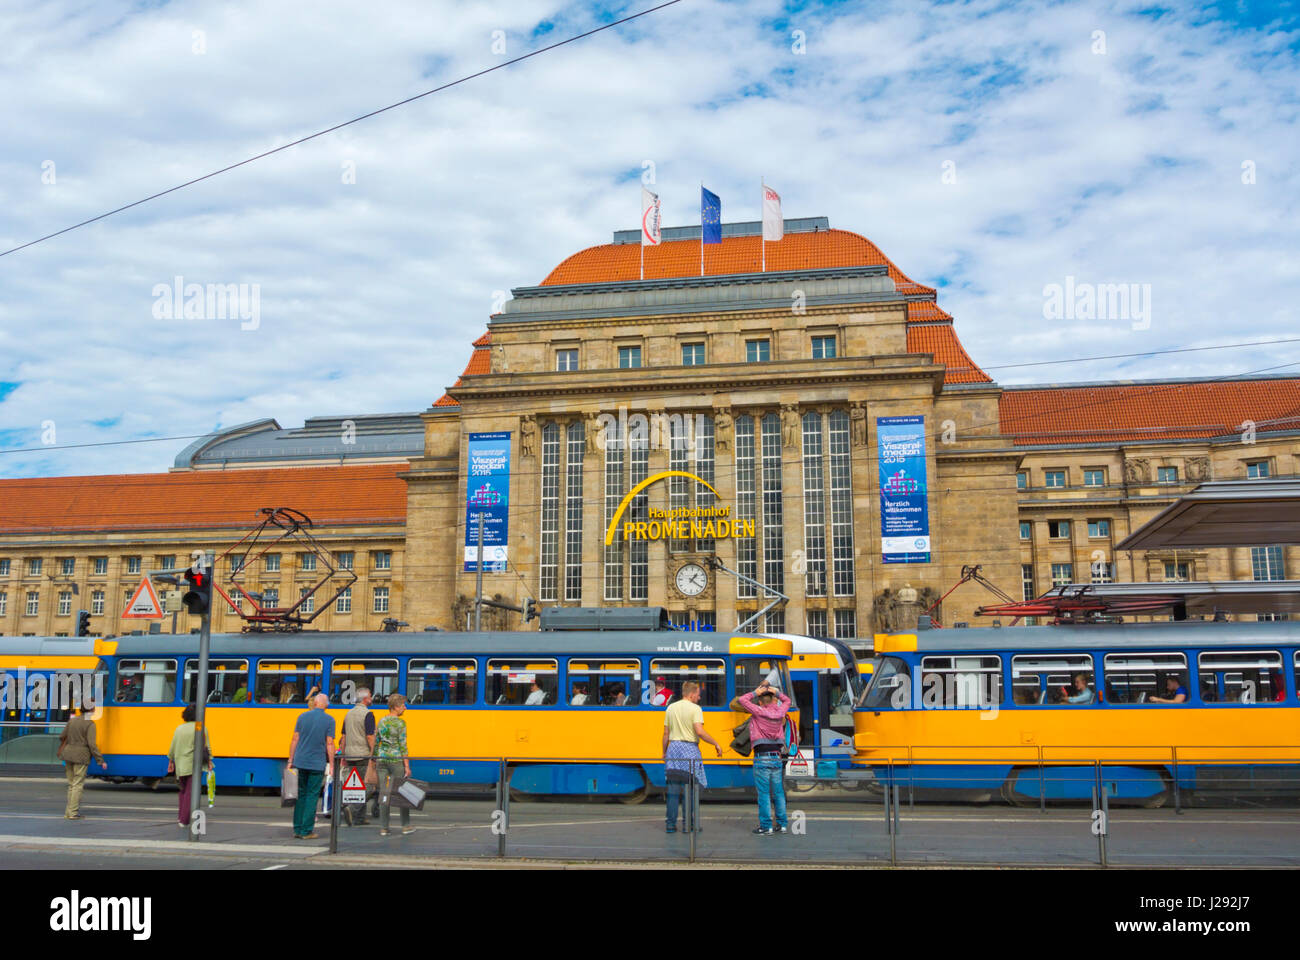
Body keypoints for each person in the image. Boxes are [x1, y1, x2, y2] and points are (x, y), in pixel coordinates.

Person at [661, 680, 724, 834]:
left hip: (673, 749)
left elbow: (665, 734)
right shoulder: (695, 709)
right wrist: (716, 743)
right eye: (698, 695)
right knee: (691, 790)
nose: (699, 697)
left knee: (673, 791)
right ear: (691, 694)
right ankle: (689, 825)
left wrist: (664, 752)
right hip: (689, 750)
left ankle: (670, 825)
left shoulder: (670, 708)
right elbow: (700, 732)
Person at [732, 678, 793, 836]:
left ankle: (766, 826)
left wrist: (755, 692)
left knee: (764, 793)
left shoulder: (758, 711)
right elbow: (787, 700)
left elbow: (742, 700)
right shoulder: (780, 712)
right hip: (777, 756)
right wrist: (776, 692)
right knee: (778, 792)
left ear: (760, 701)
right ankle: (782, 824)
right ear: (773, 700)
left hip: (762, 756)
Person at [286, 693, 336, 840]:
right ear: (326, 705)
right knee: (312, 796)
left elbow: (295, 739)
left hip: (300, 761)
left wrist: (290, 760)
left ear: (314, 703)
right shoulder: (329, 720)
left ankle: (297, 829)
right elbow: (330, 743)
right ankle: (306, 831)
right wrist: (332, 764)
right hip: (316, 763)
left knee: (300, 795)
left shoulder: (302, 717)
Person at [166, 703, 213, 830]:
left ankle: (180, 816)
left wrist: (170, 762)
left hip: (181, 764)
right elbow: (206, 746)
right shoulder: (200, 727)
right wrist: (210, 762)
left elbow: (173, 747)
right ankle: (184, 820)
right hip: (194, 765)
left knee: (182, 791)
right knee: (190, 793)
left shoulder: (179, 728)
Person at [375, 693, 414, 837]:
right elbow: (403, 746)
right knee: (402, 793)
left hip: (382, 759)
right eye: (403, 705)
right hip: (396, 760)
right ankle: (405, 825)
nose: (405, 708)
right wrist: (407, 766)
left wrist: (374, 759)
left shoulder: (382, 721)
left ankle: (384, 828)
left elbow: (376, 740)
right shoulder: (400, 723)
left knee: (384, 794)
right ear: (396, 707)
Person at [61, 699, 107, 820]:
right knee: (77, 785)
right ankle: (73, 813)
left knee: (71, 784)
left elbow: (62, 736)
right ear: (92, 709)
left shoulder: (72, 720)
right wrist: (100, 760)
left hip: (68, 754)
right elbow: (92, 745)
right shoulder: (90, 724)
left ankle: (68, 812)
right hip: (81, 756)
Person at [340, 687, 376, 826]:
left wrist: (343, 755)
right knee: (369, 786)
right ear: (366, 699)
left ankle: (359, 818)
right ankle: (352, 808)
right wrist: (374, 754)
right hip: (363, 755)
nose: (372, 699)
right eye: (371, 696)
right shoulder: (368, 714)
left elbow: (344, 737)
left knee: (356, 787)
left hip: (350, 755)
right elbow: (370, 736)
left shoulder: (348, 714)